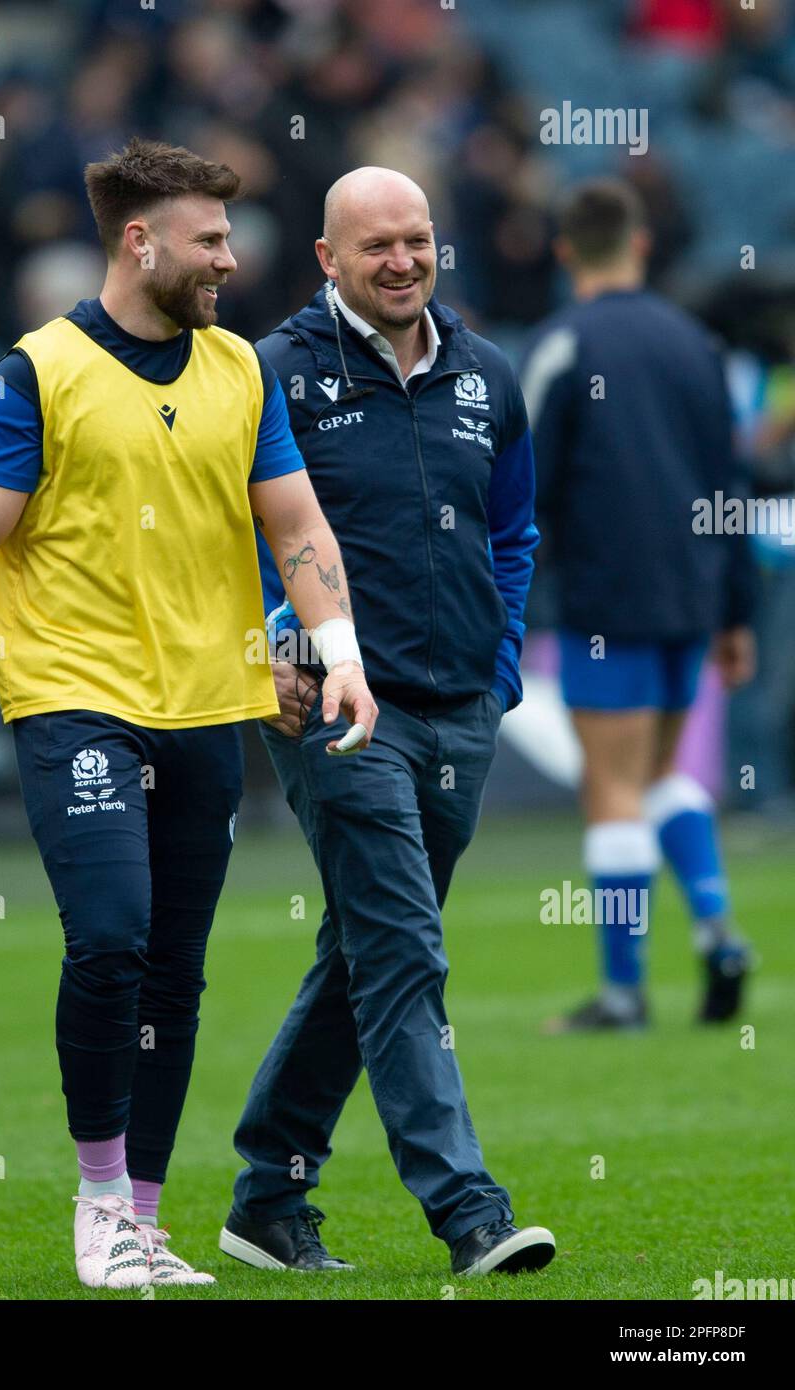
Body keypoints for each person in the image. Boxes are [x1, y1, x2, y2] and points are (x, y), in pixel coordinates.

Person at [0, 137, 377, 1290]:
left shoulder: (238, 372)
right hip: (75, 700)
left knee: (174, 968)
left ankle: (142, 1220)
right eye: (211, 238)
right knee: (113, 934)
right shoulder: (33, 374)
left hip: (209, 706)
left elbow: (297, 529)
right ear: (141, 240)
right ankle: (94, 1203)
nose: (230, 257)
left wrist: (341, 657)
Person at [218, 166, 555, 1279]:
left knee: (368, 950)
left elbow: (513, 535)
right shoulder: (267, 373)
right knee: (406, 946)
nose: (403, 261)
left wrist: (499, 671)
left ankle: (268, 1187)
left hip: (460, 709)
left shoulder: (486, 373)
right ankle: (468, 1210)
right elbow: (216, 540)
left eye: (417, 240)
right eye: (376, 247)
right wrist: (257, 649)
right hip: (331, 703)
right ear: (326, 260)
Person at [521, 178, 757, 1034]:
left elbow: (524, 485)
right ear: (642, 245)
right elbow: (728, 484)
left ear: (563, 253)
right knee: (661, 777)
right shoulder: (697, 344)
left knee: (613, 789)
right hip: (691, 597)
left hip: (607, 597)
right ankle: (717, 928)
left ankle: (624, 991)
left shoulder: (561, 344)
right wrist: (734, 612)